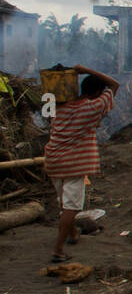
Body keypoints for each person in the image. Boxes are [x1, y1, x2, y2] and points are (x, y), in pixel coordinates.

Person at [44, 64, 120, 263]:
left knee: (64, 204)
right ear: (96, 92)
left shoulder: (61, 107)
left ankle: (72, 234)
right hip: (73, 164)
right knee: (71, 207)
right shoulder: (92, 107)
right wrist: (87, 69)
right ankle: (58, 250)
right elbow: (114, 85)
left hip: (53, 161)